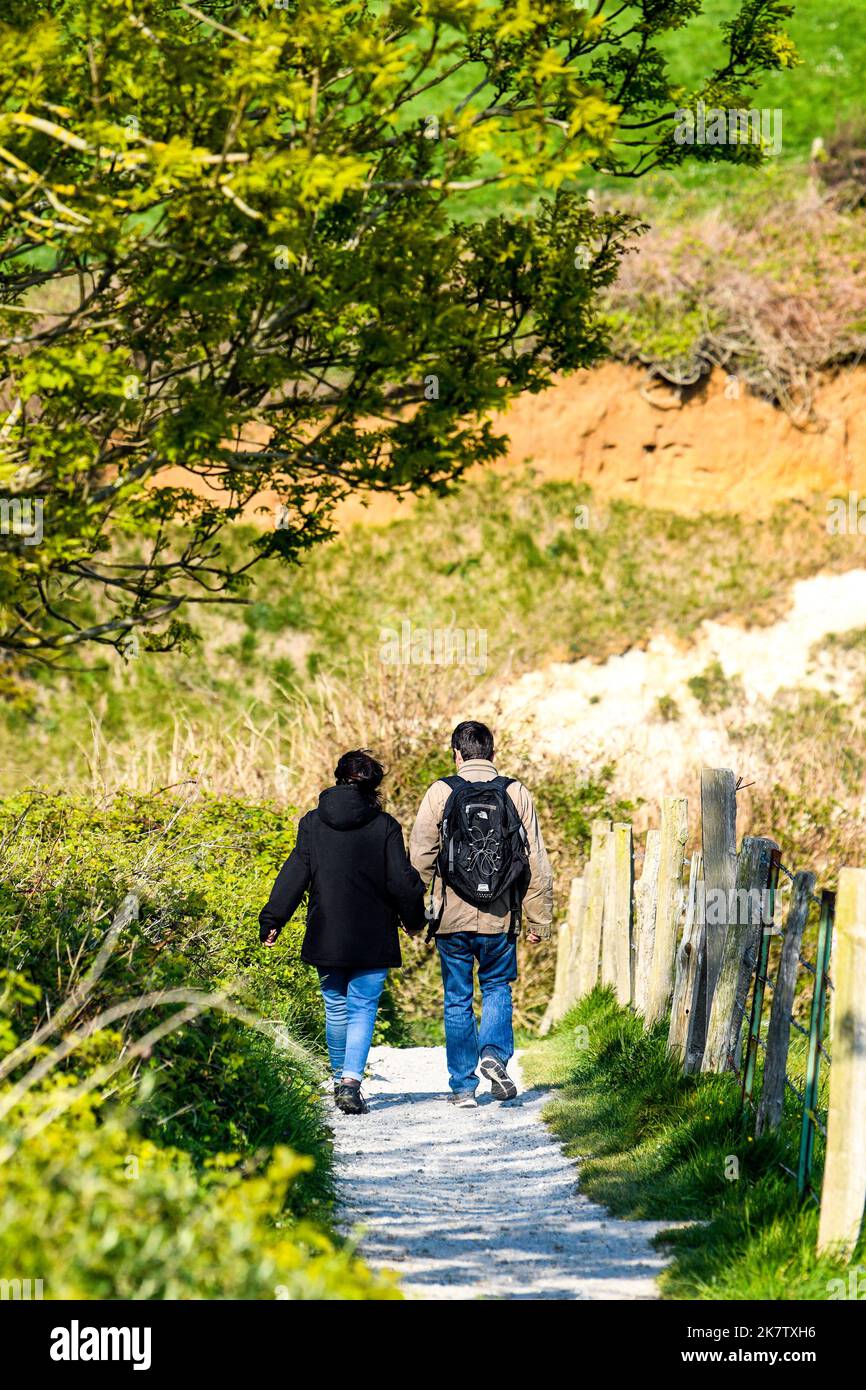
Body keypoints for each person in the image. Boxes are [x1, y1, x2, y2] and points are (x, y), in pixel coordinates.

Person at [259, 750, 425, 1114]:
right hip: (373, 932)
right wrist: (413, 919)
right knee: (363, 1007)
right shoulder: (385, 826)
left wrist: (274, 919)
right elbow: (400, 881)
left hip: (327, 928)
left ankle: (339, 1081)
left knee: (335, 1005)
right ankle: (350, 1082)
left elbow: (295, 873)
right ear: (374, 786)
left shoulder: (312, 823)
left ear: (338, 778)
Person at [409, 720, 553, 1106]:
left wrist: (413, 912)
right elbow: (536, 858)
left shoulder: (440, 791)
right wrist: (538, 918)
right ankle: (493, 1055)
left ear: (456, 753)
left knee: (457, 997)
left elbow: (420, 856)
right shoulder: (515, 791)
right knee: (496, 987)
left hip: (450, 917)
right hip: (500, 914)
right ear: (492, 752)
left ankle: (462, 1087)